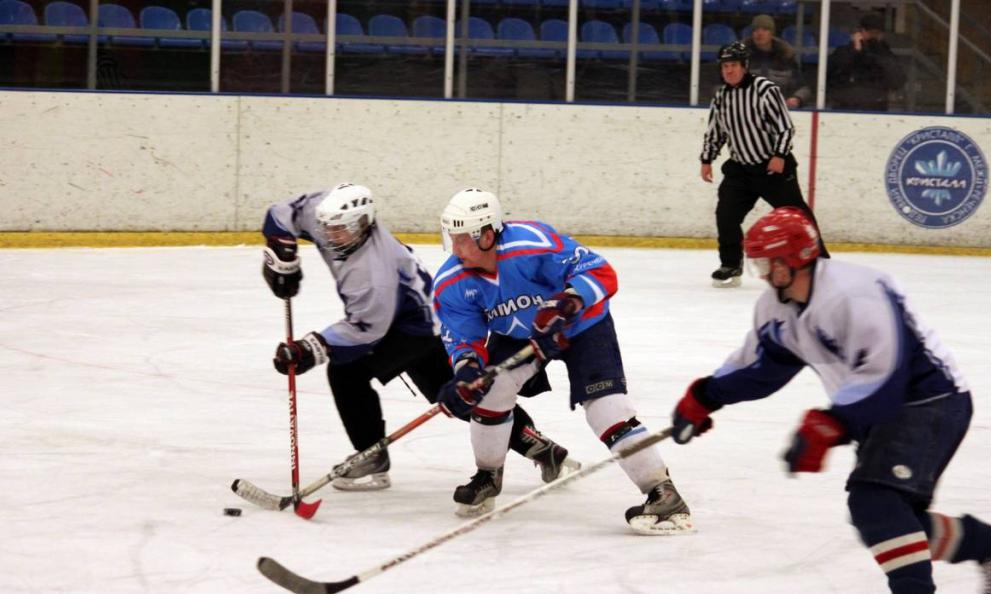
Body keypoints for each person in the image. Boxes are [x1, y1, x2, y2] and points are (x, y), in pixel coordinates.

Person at [671, 206, 991, 593]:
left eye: (766, 263)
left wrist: (835, 423)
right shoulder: (777, 307)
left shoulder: (855, 293)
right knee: (888, 519)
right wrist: (705, 396)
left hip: (929, 399)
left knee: (875, 502)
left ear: (792, 260)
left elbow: (887, 368)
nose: (762, 273)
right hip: (879, 412)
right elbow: (761, 366)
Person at [261, 182, 578, 491]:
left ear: (361, 225)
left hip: (418, 326)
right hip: (416, 313)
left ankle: (373, 458)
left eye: (339, 230)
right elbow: (282, 213)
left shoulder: (372, 269)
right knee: (452, 390)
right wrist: (280, 252)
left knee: (347, 370)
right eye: (327, 228)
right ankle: (541, 448)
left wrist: (310, 348)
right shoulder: (327, 217)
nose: (330, 236)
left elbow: (367, 329)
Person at [431, 187, 693, 535]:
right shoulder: (451, 282)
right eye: (452, 237)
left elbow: (601, 272)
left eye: (463, 239)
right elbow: (465, 338)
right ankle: (487, 475)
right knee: (488, 394)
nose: (455, 248)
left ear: (488, 235)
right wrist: (465, 372)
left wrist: (569, 301)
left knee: (606, 408)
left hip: (583, 326)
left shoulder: (533, 243)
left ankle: (663, 494)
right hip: (519, 335)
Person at [700, 41, 828, 289]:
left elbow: (784, 127)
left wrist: (779, 155)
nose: (729, 71)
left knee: (797, 216)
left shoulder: (765, 90)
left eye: (733, 65)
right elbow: (715, 132)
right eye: (725, 66)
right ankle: (731, 264)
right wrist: (707, 159)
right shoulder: (722, 96)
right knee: (725, 215)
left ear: (744, 66)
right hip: (740, 170)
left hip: (772, 168)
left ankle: (818, 262)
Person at [827, 12, 906, 111]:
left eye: (876, 33)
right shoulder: (844, 51)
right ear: (861, 32)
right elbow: (831, 72)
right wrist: (855, 50)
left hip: (875, 106)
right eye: (870, 33)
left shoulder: (886, 54)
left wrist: (879, 55)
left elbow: (897, 81)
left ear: (881, 35)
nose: (873, 37)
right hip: (845, 105)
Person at [743, 14, 812, 109]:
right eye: (756, 30)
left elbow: (803, 88)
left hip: (778, 110)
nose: (759, 33)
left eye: (765, 30)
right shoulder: (740, 56)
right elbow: (720, 85)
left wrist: (797, 98)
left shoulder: (785, 57)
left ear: (772, 33)